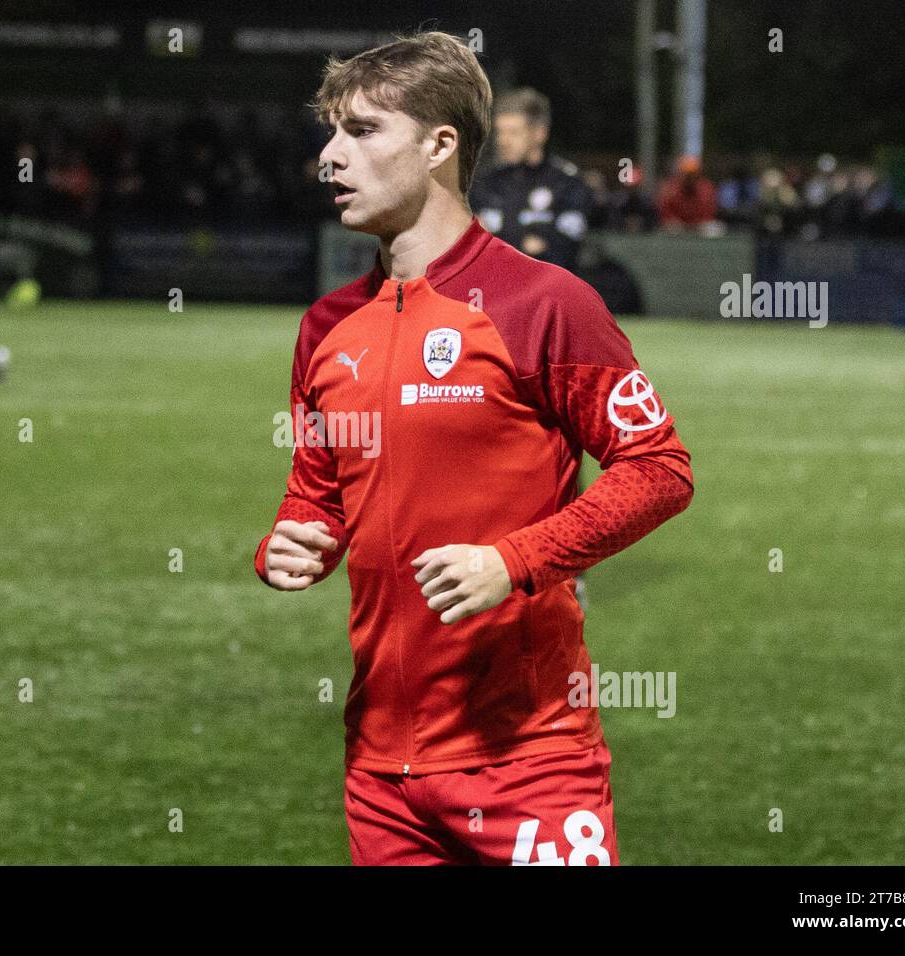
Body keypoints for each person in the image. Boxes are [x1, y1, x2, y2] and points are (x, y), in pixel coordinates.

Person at [253, 31, 694, 865]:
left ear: (440, 145)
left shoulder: (544, 304)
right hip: (382, 773)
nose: (330, 157)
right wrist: (288, 538)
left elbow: (660, 470)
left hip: (529, 759)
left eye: (362, 131)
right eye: (331, 132)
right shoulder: (325, 327)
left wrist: (515, 560)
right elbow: (314, 492)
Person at [468, 87, 592, 272]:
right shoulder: (485, 182)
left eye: (514, 132)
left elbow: (562, 252)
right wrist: (526, 242)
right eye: (500, 132)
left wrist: (497, 238)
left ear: (539, 133)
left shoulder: (566, 183)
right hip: (493, 291)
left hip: (548, 293)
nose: (503, 141)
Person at [656, 154, 717, 229]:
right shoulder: (670, 189)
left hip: (700, 226)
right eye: (686, 174)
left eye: (692, 174)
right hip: (677, 227)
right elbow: (665, 213)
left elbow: (708, 214)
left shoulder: (706, 189)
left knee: (713, 228)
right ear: (681, 174)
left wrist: (696, 224)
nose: (689, 178)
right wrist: (675, 222)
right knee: (672, 228)